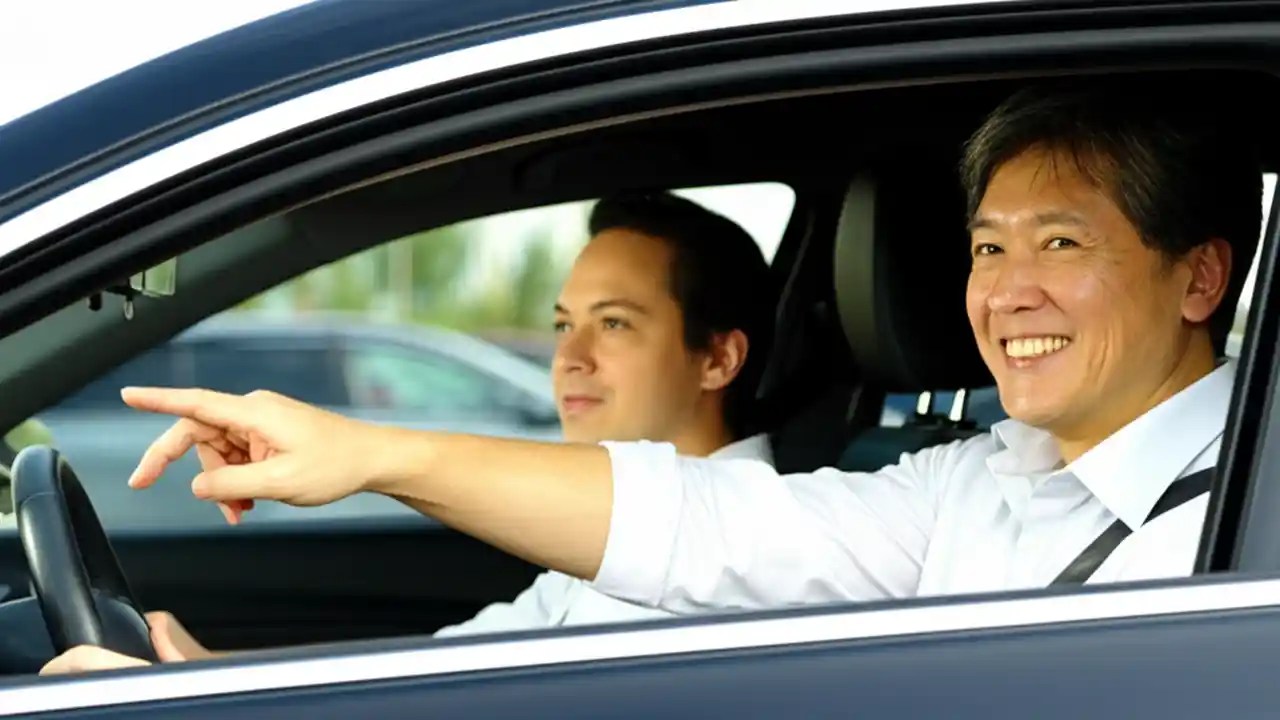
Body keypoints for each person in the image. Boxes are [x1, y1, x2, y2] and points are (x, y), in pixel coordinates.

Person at [42, 77, 1262, 673]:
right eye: (987, 249)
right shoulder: (972, 487)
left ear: (1196, 280)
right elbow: (700, 525)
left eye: (1060, 245)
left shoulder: (1238, 534)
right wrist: (372, 454)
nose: (1004, 293)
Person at [42, 191, 779, 672]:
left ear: (718, 357)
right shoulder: (605, 533)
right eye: (562, 324)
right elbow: (446, 673)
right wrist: (203, 673)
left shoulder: (744, 571)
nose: (567, 359)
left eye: (613, 323)